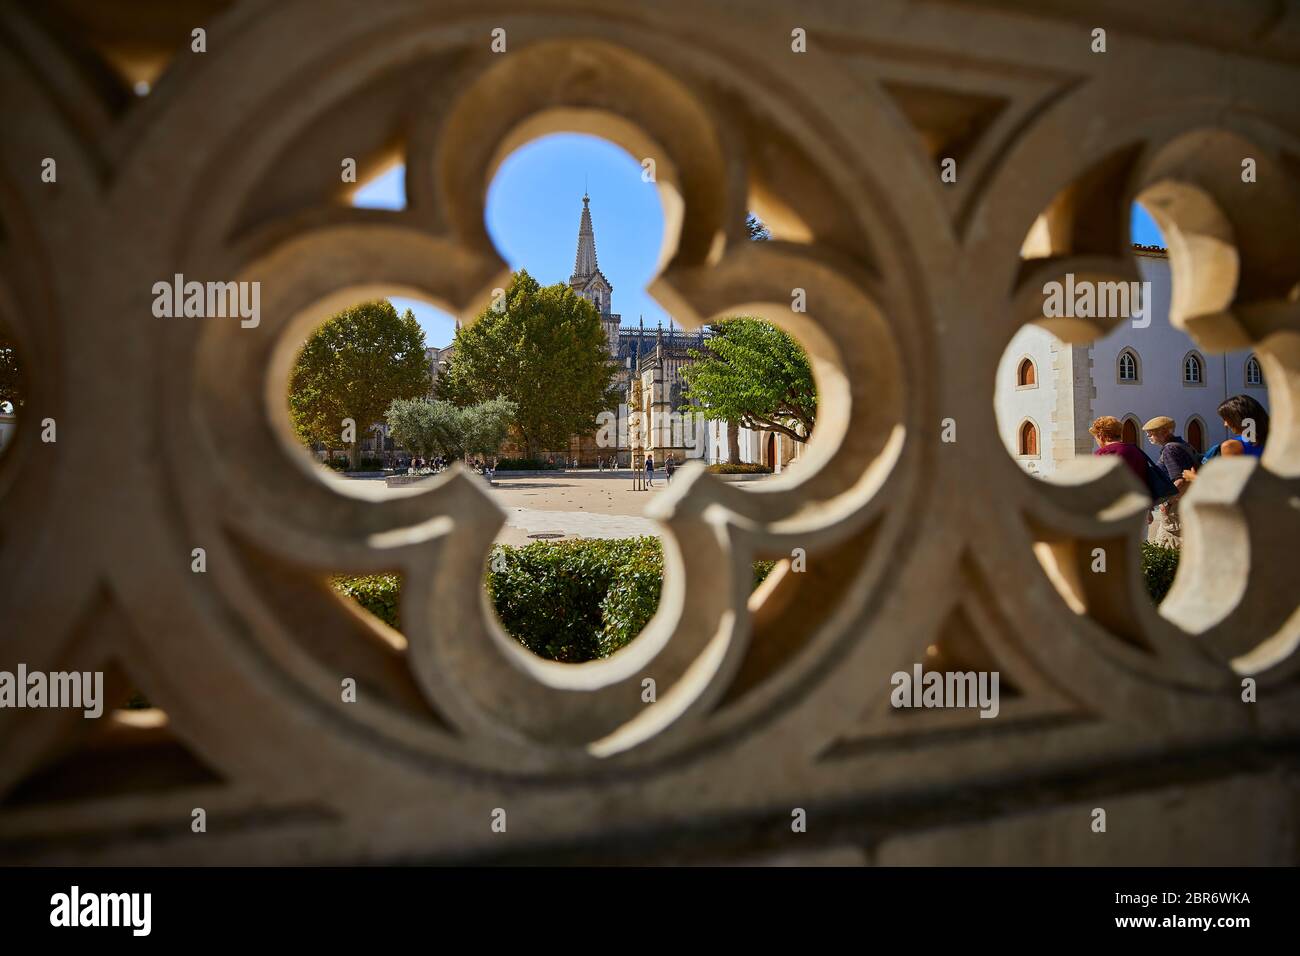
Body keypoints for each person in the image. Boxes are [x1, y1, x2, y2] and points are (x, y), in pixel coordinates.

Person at [1182, 395, 1270, 485]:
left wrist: (1193, 477)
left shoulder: (1231, 446)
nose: (1225, 424)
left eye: (1226, 419)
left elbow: (1228, 487)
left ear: (1237, 418)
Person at [1142, 416, 1197, 548]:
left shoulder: (1170, 450)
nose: (1149, 436)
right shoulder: (1183, 445)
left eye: (1152, 432)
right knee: (1163, 544)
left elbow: (1180, 480)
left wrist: (1167, 503)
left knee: (1173, 546)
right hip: (1185, 503)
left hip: (1175, 507)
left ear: (1165, 432)